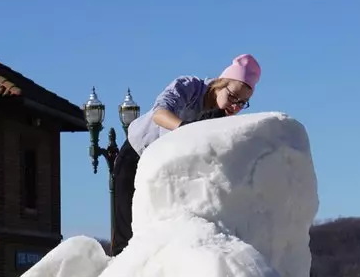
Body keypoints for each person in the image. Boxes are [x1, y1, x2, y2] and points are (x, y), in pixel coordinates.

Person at [112, 54, 262, 255]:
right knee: (126, 231)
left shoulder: (221, 120)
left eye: (242, 103)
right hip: (136, 154)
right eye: (233, 97)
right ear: (220, 84)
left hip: (167, 170)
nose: (235, 106)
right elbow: (159, 113)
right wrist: (185, 129)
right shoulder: (189, 86)